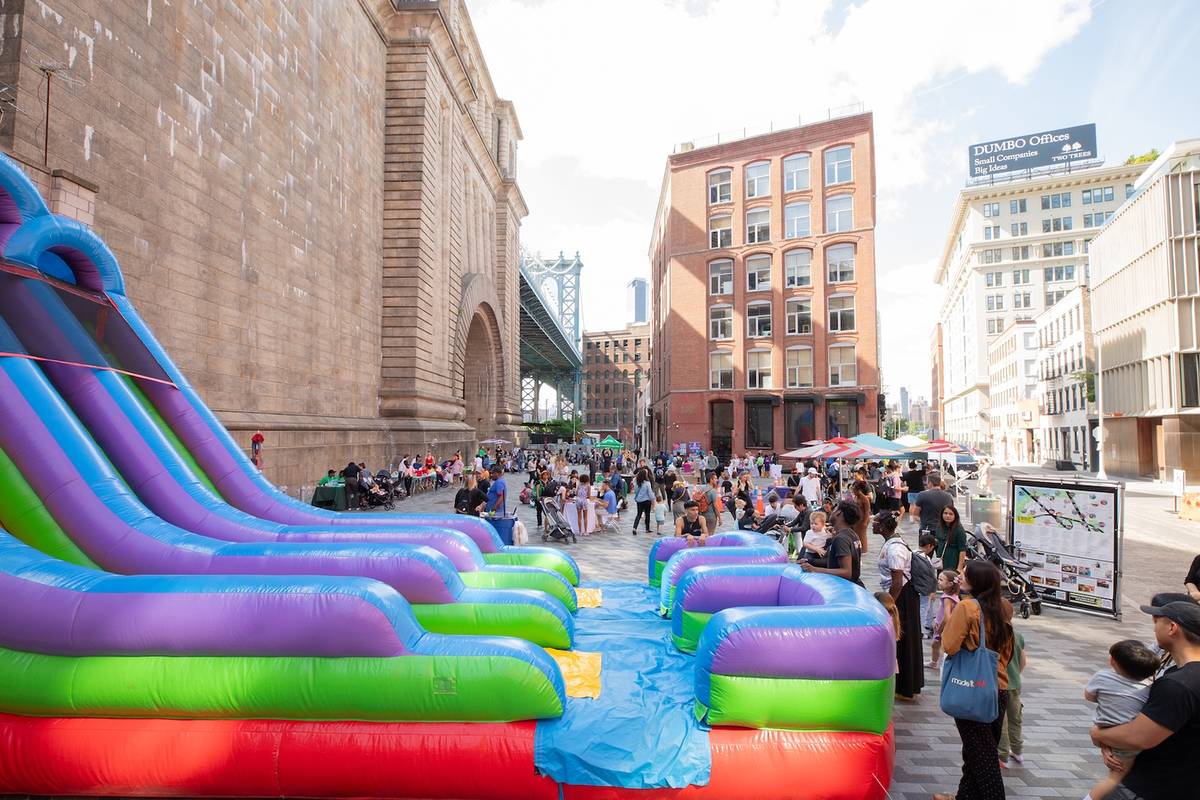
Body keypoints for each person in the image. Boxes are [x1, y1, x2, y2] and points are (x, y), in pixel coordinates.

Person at [1089, 601, 1200, 800]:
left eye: (1157, 621)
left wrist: (1098, 733)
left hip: (1153, 787)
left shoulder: (1178, 684)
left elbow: (1138, 736)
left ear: (1172, 628)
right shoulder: (1178, 675)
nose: (1154, 627)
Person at [933, 561, 1014, 800]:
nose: (959, 576)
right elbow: (1008, 651)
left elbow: (949, 644)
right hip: (998, 687)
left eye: (964, 574)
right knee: (976, 754)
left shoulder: (968, 608)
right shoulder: (1005, 607)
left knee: (984, 758)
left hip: (973, 690)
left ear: (975, 581)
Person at [1082, 639, 1161, 799]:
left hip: (1104, 730)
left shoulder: (1102, 676)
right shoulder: (1148, 688)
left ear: (1113, 661)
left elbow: (1089, 696)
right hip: (1126, 741)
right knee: (1115, 778)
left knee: (1115, 778)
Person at [874, 511, 924, 700]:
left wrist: (889, 603)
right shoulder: (892, 543)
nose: (873, 524)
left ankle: (904, 686)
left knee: (902, 638)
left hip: (901, 596)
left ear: (883, 527)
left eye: (876, 522)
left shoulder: (895, 549)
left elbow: (897, 581)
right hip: (899, 594)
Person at [799, 500, 862, 586]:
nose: (832, 512)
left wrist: (815, 569)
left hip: (845, 588)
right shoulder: (852, 534)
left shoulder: (841, 539)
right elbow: (834, 562)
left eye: (835, 509)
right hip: (853, 586)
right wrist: (809, 561)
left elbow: (847, 572)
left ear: (838, 513)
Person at [998, 600, 1027, 769]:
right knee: (1016, 719)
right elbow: (1023, 661)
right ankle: (1017, 750)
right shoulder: (1018, 636)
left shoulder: (992, 635)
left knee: (1001, 721)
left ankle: (1001, 755)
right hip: (1015, 684)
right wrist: (1016, 674)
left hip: (999, 684)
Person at [927, 569, 962, 670]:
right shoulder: (952, 596)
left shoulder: (947, 598)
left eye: (941, 580)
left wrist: (939, 629)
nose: (938, 581)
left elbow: (947, 617)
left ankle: (937, 662)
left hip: (943, 627)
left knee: (938, 644)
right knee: (936, 644)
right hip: (944, 625)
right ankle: (935, 662)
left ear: (950, 584)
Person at [915, 532, 940, 634]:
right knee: (923, 609)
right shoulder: (926, 559)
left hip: (916, 587)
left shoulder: (913, 554)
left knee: (925, 608)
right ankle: (921, 630)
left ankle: (929, 625)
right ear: (930, 546)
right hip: (925, 589)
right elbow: (931, 577)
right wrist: (933, 590)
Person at [935, 504, 970, 574]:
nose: (947, 516)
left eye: (951, 514)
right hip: (941, 559)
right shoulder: (939, 526)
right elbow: (938, 540)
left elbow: (962, 550)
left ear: (955, 516)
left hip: (953, 559)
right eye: (945, 513)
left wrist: (959, 567)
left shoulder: (959, 530)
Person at [849, 480, 872, 555]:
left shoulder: (864, 498)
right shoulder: (856, 497)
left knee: (862, 535)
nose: (853, 491)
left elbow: (867, 511)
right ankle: (858, 549)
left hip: (863, 519)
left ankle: (864, 550)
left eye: (854, 490)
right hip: (857, 519)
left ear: (858, 490)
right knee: (857, 534)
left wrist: (865, 522)